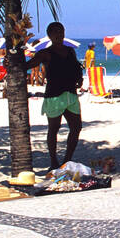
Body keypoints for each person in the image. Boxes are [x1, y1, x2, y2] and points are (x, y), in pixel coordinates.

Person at [28, 22, 84, 172]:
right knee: (54, 128)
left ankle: (67, 160)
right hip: (54, 95)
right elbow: (28, 65)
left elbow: (76, 67)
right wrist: (13, 59)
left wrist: (79, 78)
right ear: (50, 35)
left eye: (61, 31)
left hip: (71, 94)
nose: (59, 35)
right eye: (56, 32)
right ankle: (53, 161)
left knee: (76, 127)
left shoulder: (70, 51)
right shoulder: (45, 53)